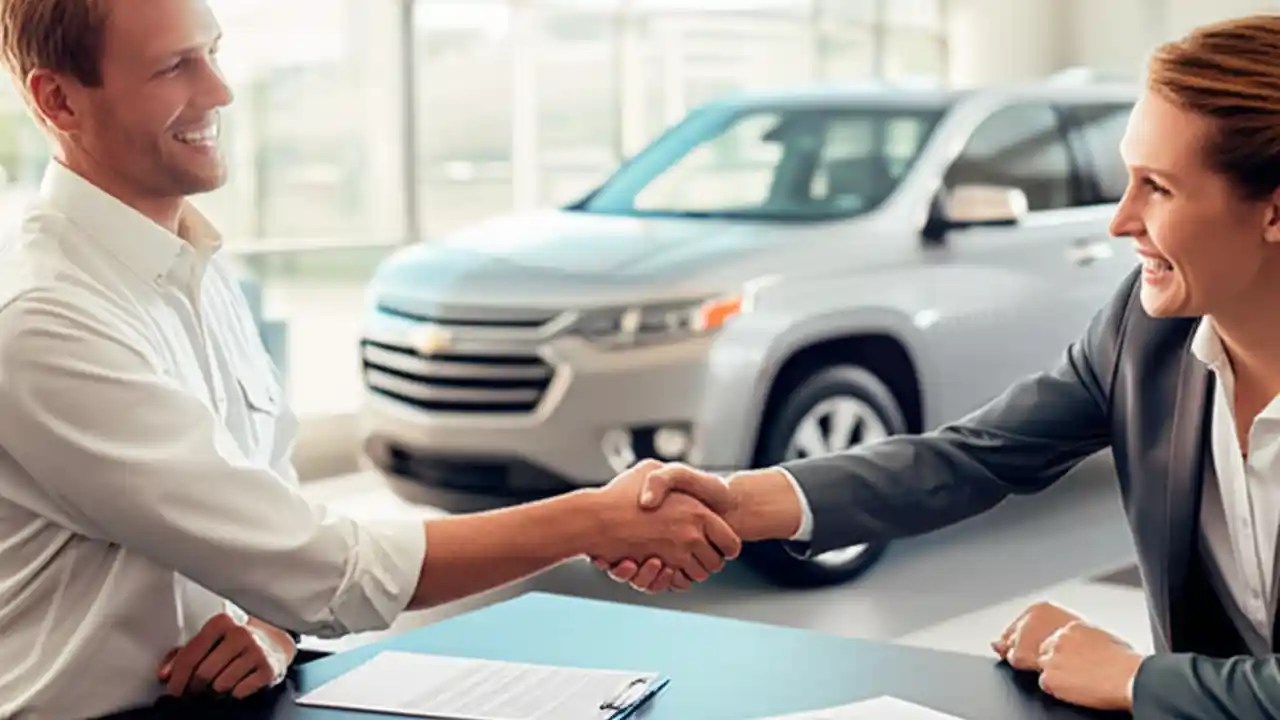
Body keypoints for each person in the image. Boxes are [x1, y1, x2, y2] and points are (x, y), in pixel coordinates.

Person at [0, 1, 740, 717]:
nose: (219, 91)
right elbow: (319, 566)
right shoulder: (45, 320)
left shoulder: (192, 268)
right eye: (174, 67)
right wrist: (594, 520)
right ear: (59, 100)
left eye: (214, 51)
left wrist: (272, 630)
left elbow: (271, 524)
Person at [602, 14, 1280, 719]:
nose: (1119, 219)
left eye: (1158, 189)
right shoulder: (1146, 335)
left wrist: (1137, 678)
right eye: (1127, 179)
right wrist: (732, 505)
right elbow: (971, 458)